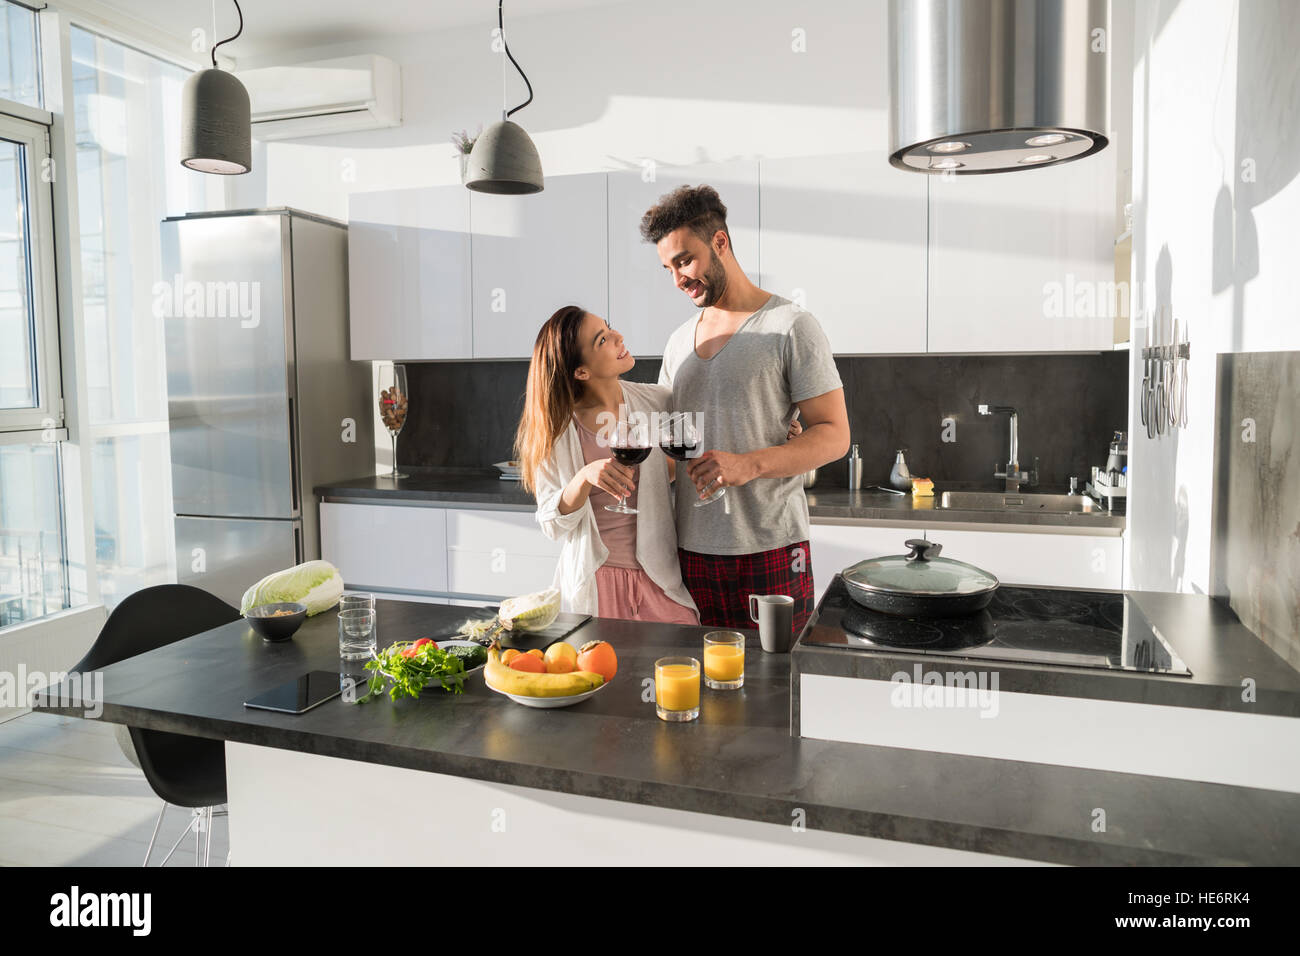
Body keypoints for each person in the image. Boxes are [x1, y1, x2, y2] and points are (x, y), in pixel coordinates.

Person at [644, 185, 850, 633]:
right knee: (700, 690)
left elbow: (834, 434)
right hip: (691, 552)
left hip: (772, 548)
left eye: (684, 260)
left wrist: (748, 464)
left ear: (720, 242)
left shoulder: (791, 326)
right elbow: (667, 450)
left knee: (774, 691)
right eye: (668, 268)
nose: (677, 278)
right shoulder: (678, 342)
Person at [515, 305, 701, 624]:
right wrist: (585, 478)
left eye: (610, 328)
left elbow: (699, 434)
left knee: (679, 670)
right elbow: (552, 523)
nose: (618, 337)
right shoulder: (557, 428)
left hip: (660, 577)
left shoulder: (656, 401)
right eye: (602, 340)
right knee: (603, 673)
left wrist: (783, 428)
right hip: (596, 583)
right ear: (581, 372)